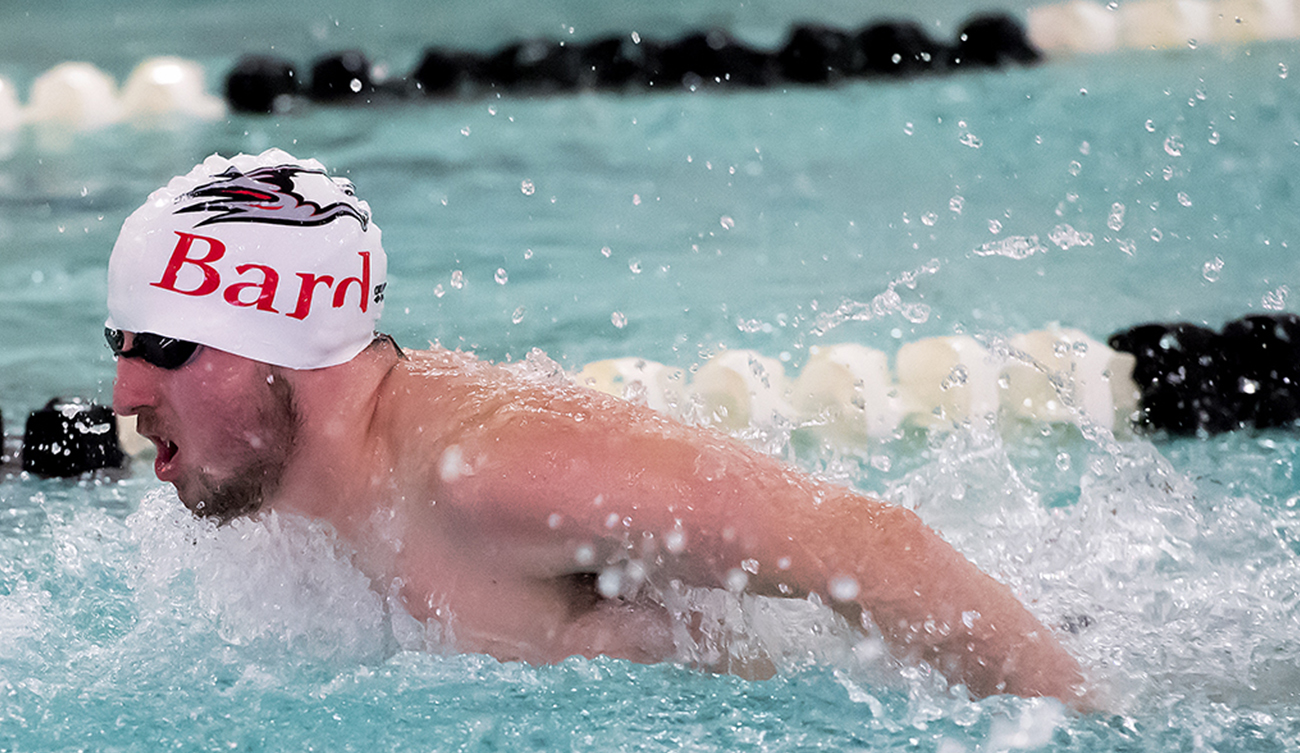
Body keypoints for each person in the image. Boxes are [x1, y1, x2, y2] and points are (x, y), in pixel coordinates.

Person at [106, 149, 1087, 703]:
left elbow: (880, 550)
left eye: (165, 347)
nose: (124, 395)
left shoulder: (490, 470)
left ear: (286, 340)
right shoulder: (290, 498)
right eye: (123, 346)